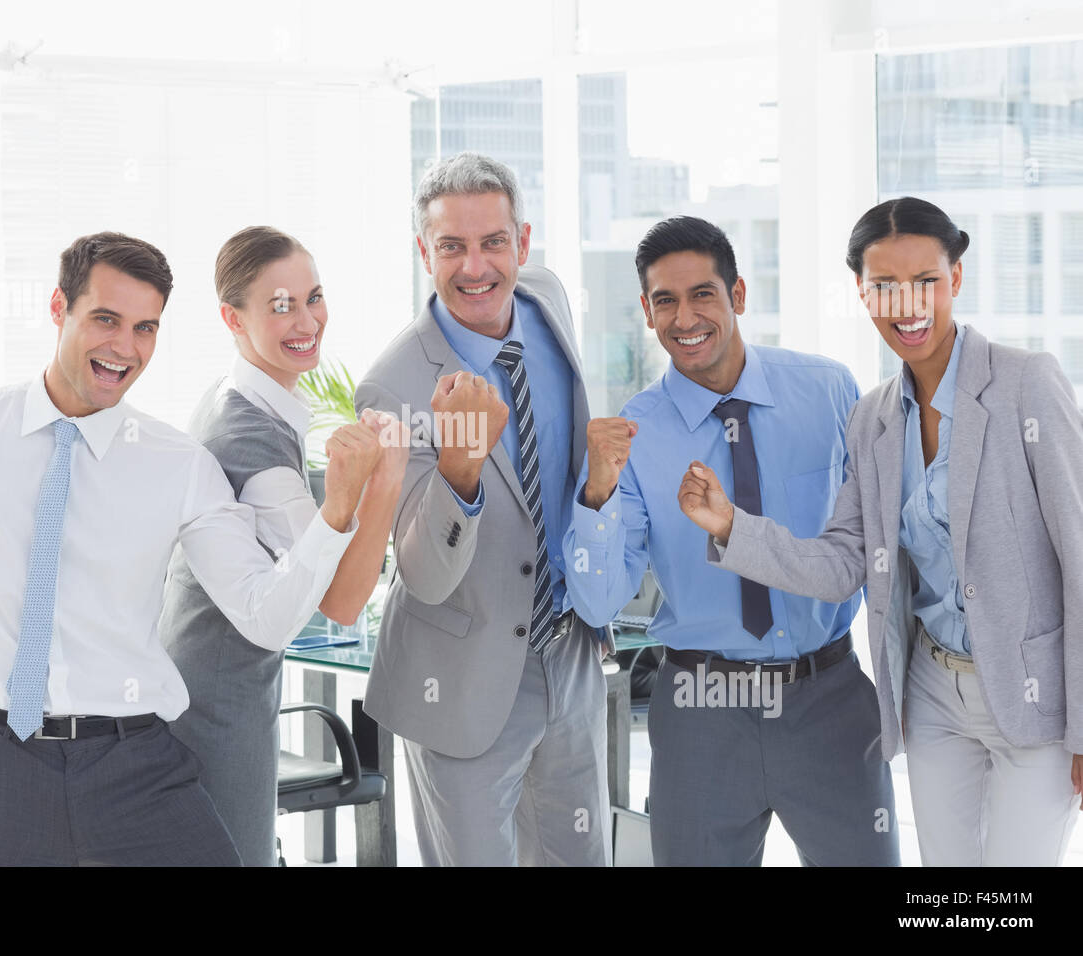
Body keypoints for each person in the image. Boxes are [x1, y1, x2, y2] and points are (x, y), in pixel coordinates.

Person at [0, 231, 379, 866]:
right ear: (57, 309)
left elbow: (266, 615)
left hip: (135, 766)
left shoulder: (178, 464)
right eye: (105, 319)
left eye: (145, 328)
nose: (124, 347)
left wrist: (339, 511)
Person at [679, 196, 1083, 866]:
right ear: (862, 294)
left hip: (1033, 693)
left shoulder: (1025, 384)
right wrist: (732, 528)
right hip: (930, 694)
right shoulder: (872, 419)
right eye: (885, 286)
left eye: (925, 280)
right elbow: (844, 562)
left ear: (956, 277)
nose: (907, 304)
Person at [565, 215, 899, 866]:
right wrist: (596, 495)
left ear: (738, 295)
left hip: (828, 699)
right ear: (646, 310)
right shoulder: (631, 434)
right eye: (666, 300)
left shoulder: (829, 390)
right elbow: (598, 603)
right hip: (701, 713)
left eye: (703, 295)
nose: (685, 317)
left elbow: (872, 546)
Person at [355, 151, 613, 866]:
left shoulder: (547, 301)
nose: (476, 267)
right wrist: (460, 472)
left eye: (493, 242)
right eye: (452, 247)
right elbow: (420, 572)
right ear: (422, 252)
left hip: (569, 659)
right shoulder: (393, 386)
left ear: (522, 244)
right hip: (460, 676)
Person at [158, 226, 407, 867]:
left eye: (314, 297)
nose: (307, 320)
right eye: (280, 306)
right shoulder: (251, 439)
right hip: (218, 705)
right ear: (231, 319)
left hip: (210, 688)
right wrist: (386, 481)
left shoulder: (239, 398)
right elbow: (344, 603)